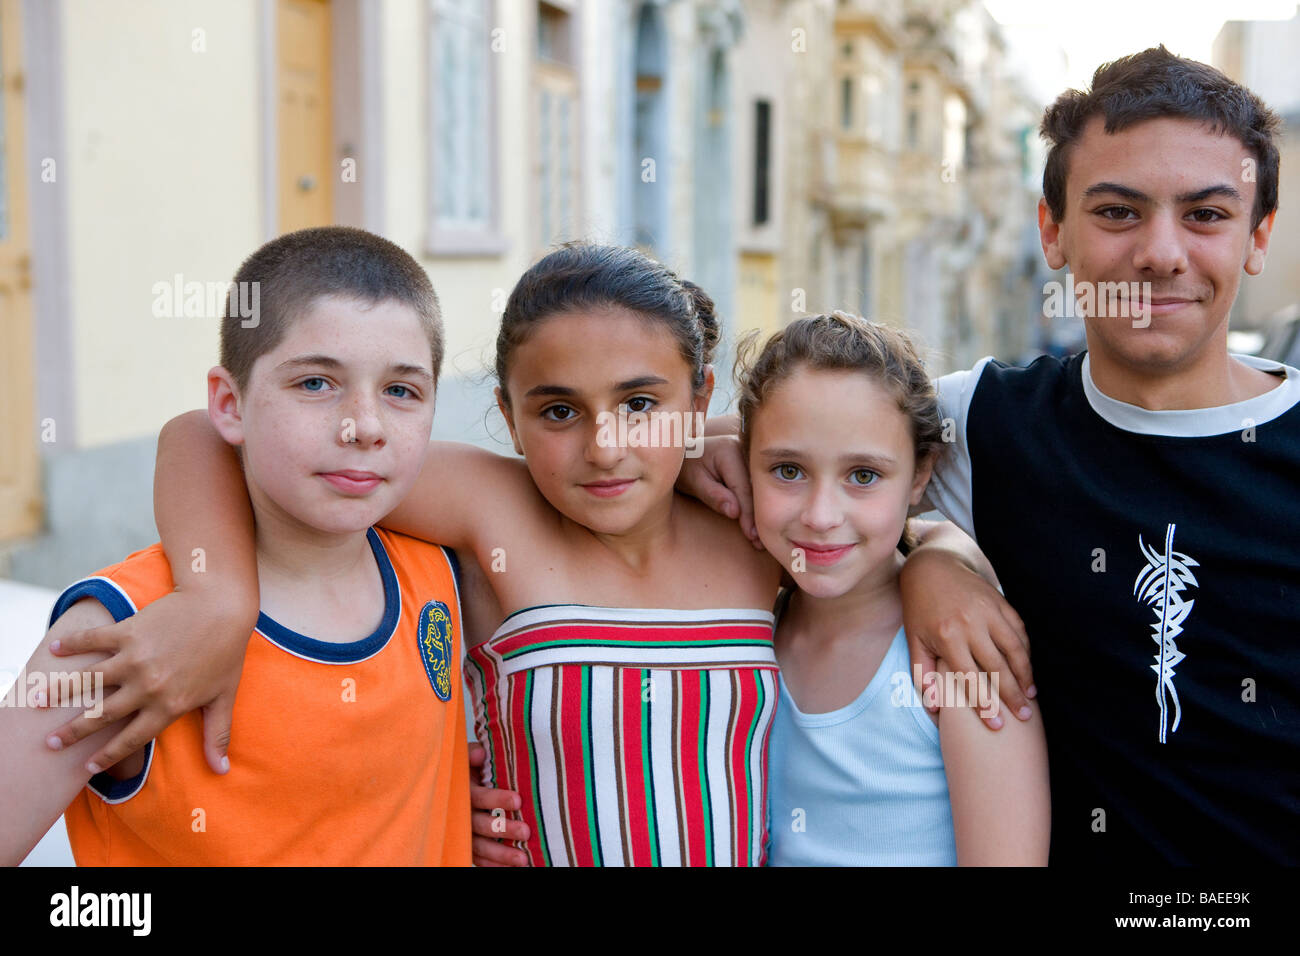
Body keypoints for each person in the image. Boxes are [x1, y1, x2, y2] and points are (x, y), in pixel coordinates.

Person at [40, 243, 1008, 866]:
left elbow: (850, 514)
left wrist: (940, 555)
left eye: (639, 402)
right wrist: (215, 598)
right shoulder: (482, 502)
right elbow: (213, 433)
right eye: (556, 410)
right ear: (506, 413)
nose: (602, 445)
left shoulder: (746, 521)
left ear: (697, 389)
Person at [692, 46, 1299, 865]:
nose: (1160, 251)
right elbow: (775, 447)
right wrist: (930, 555)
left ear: (1258, 235)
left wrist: (930, 555)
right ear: (1052, 231)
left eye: (1206, 214)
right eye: (1117, 211)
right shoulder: (985, 420)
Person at [0, 226, 474, 865]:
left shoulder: (439, 573)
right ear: (229, 402)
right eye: (315, 384)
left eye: (401, 391)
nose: (364, 426)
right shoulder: (127, 630)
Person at [739, 312, 1049, 865]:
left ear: (922, 475)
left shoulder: (960, 656)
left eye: (863, 475)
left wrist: (941, 556)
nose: (820, 515)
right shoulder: (745, 630)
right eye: (788, 470)